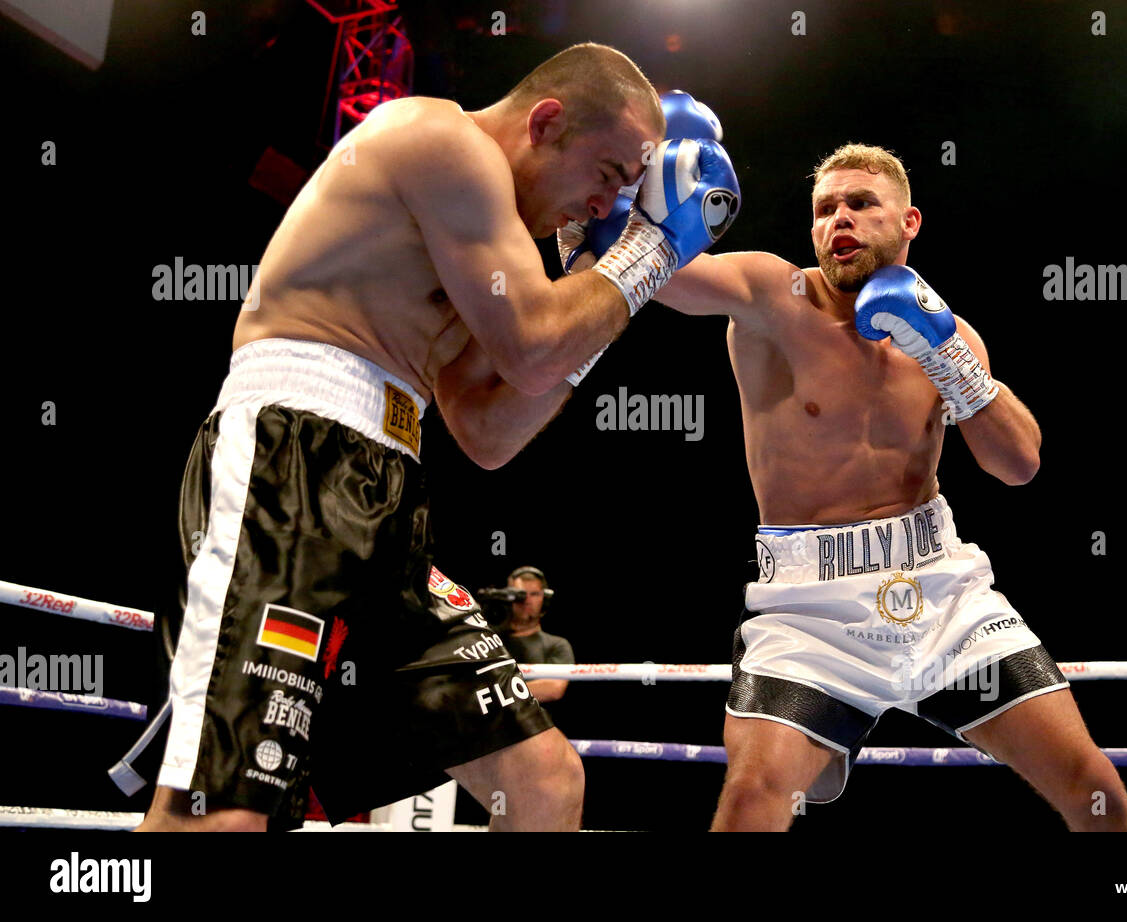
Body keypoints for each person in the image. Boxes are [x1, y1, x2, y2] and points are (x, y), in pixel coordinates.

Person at [137, 43, 739, 832]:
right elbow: (531, 343)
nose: (603, 205)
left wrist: (602, 270)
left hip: (387, 496)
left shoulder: (477, 249)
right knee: (223, 816)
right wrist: (646, 252)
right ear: (547, 122)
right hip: (289, 467)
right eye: (605, 175)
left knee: (544, 781)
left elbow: (492, 427)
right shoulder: (440, 140)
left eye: (622, 192)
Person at [562, 140, 1127, 831]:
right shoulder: (773, 296)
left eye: (861, 204)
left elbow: (1019, 464)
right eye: (824, 209)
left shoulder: (949, 334)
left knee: (1093, 786)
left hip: (942, 594)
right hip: (810, 612)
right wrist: (599, 214)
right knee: (752, 799)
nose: (839, 219)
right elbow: (660, 279)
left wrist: (947, 357)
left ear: (909, 221)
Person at [499, 566, 574, 704]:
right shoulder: (491, 640)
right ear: (508, 597)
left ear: (544, 599)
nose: (526, 600)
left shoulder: (557, 645)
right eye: (520, 594)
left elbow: (553, 688)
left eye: (534, 594)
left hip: (539, 724)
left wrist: (494, 694)